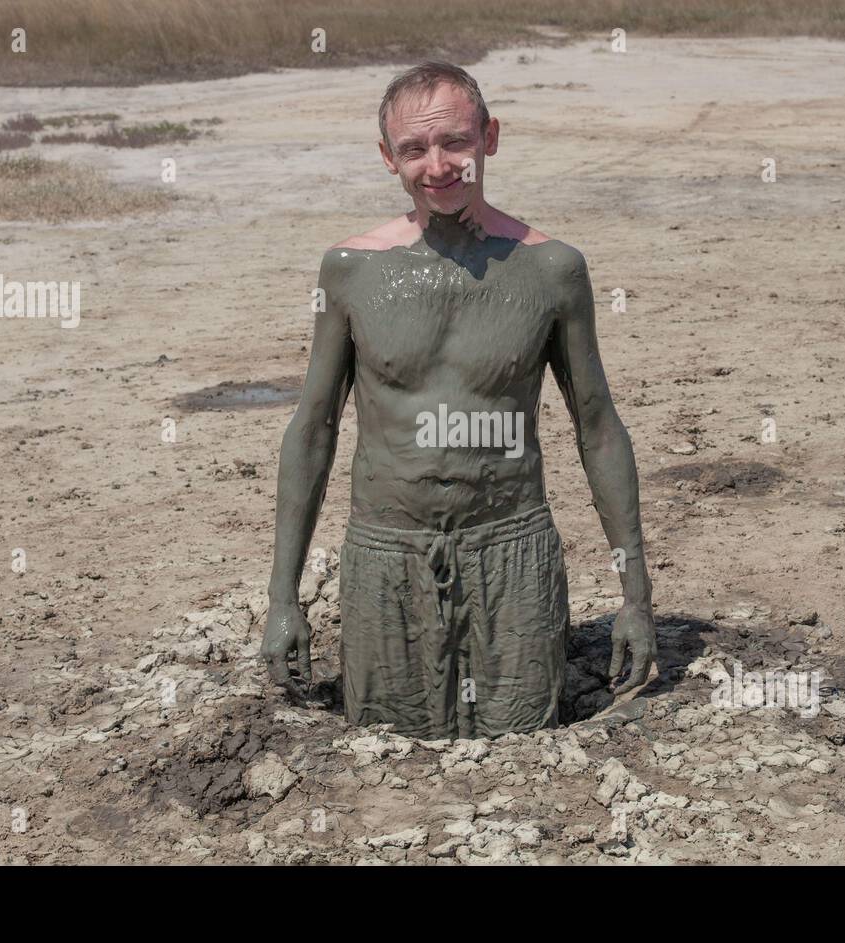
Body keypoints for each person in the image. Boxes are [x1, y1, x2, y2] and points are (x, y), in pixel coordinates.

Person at [262, 61, 654, 739]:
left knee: (523, 754)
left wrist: (637, 598)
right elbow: (313, 430)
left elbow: (597, 428)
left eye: (456, 142)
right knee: (386, 759)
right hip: (385, 553)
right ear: (388, 157)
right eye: (414, 149)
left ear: (489, 137)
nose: (438, 166)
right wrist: (282, 598)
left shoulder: (552, 269)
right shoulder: (351, 271)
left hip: (512, 550)